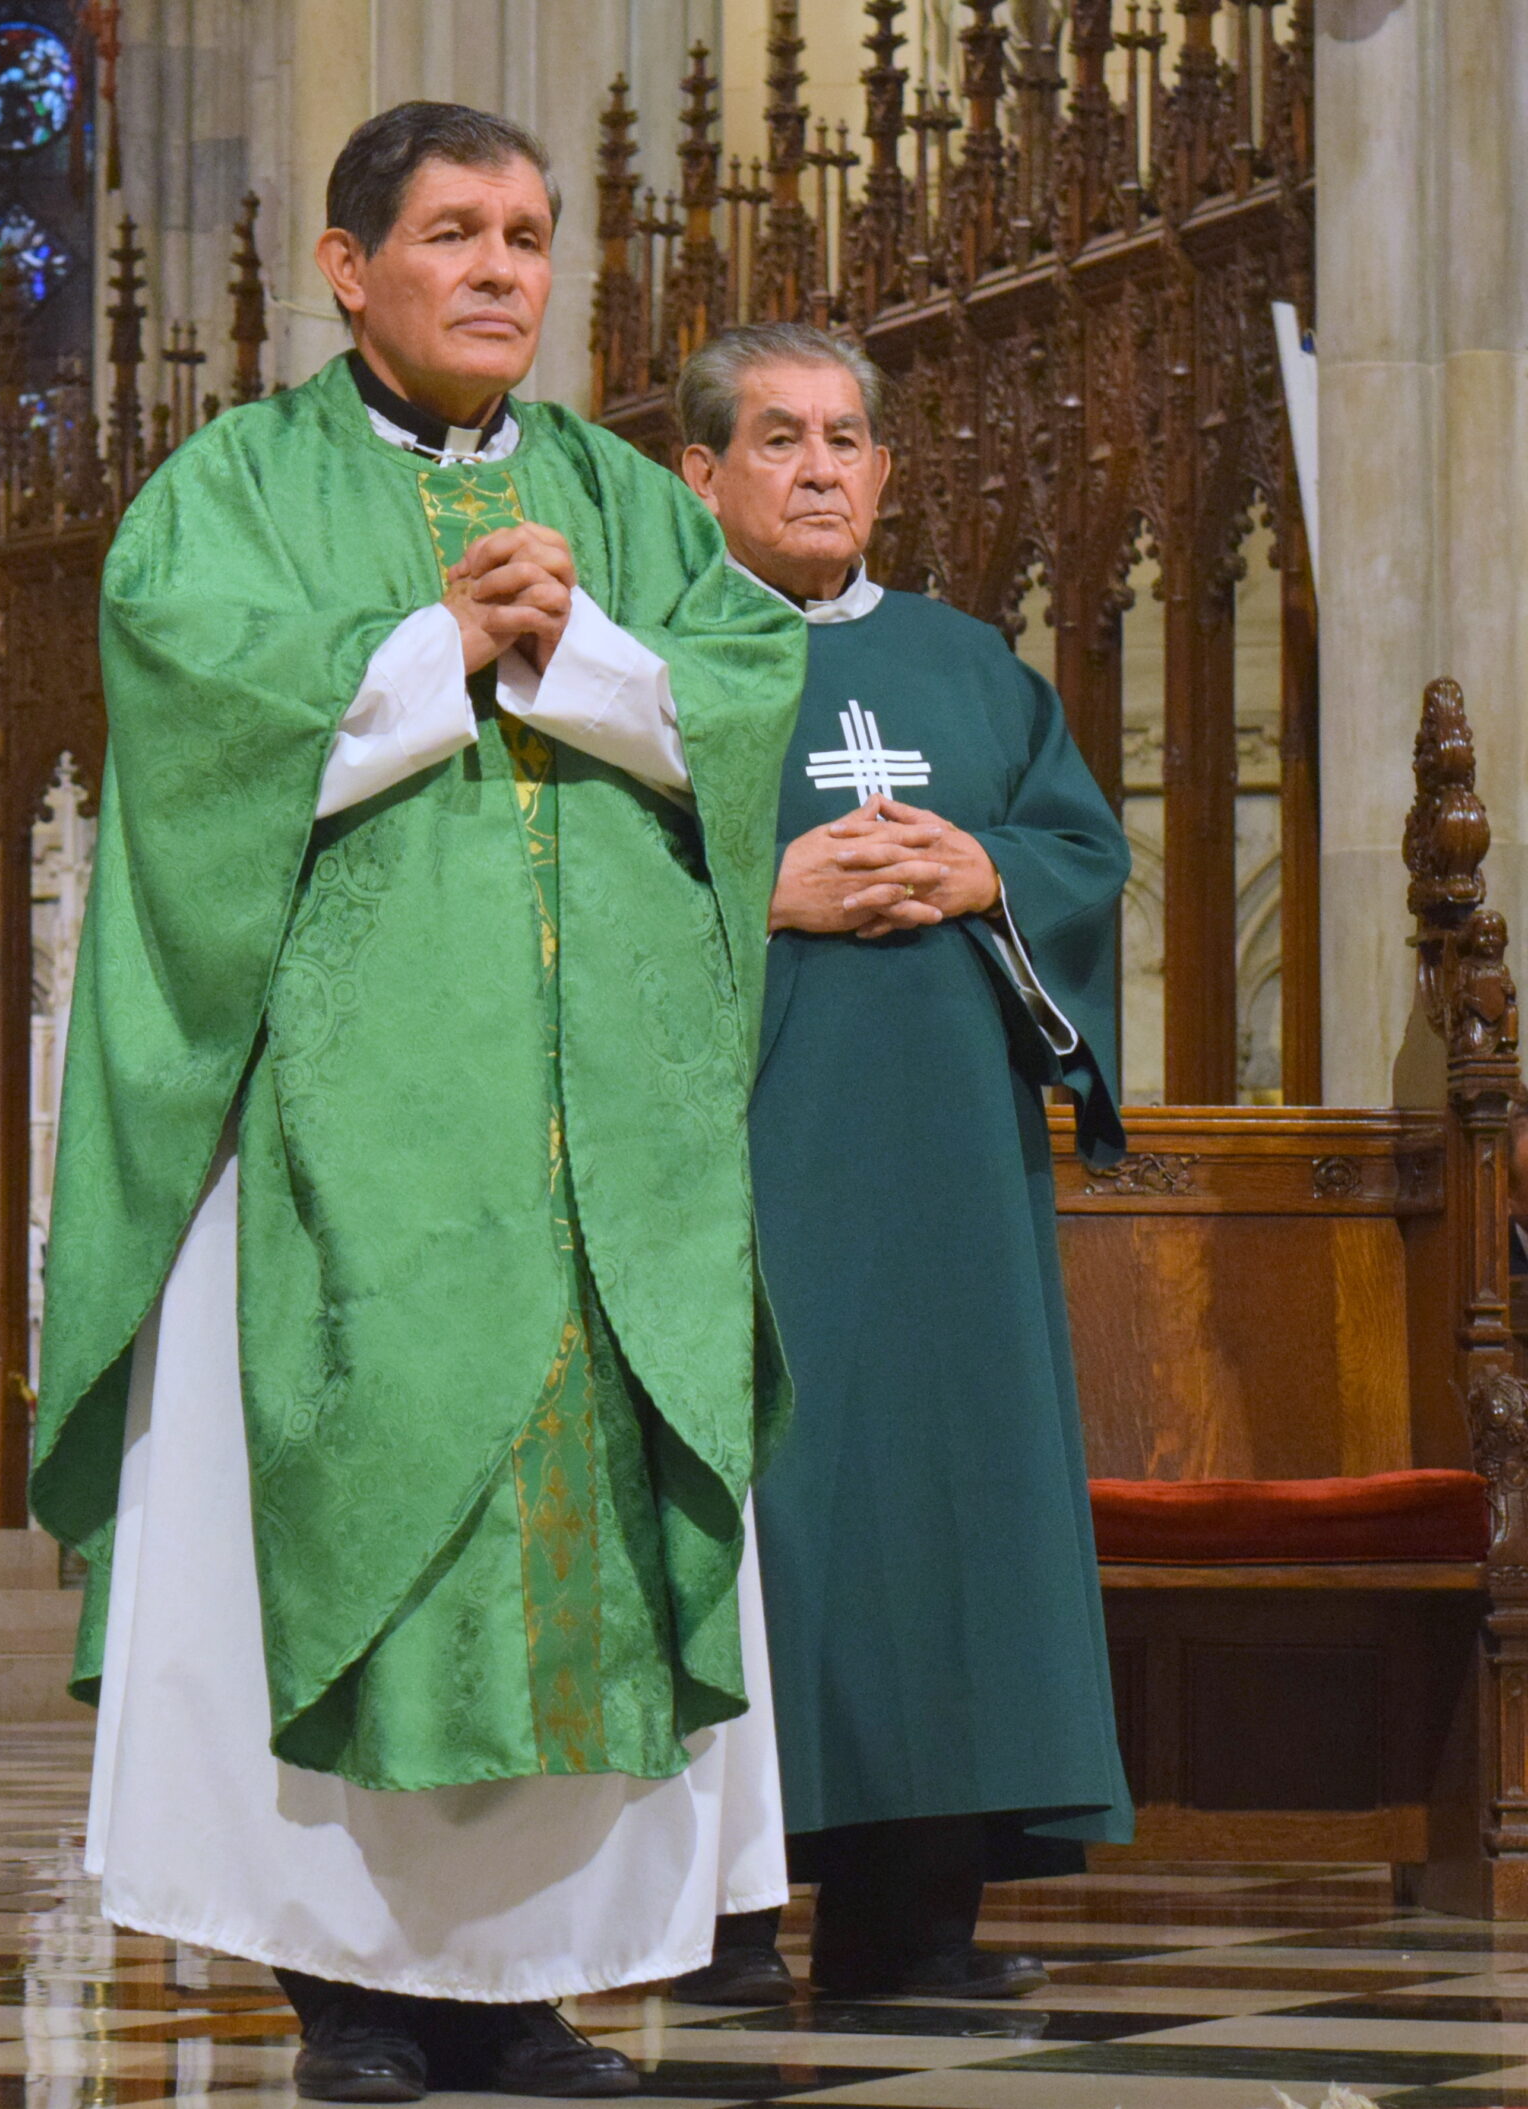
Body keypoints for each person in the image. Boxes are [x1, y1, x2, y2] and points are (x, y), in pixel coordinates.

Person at [33, 105, 808, 2101]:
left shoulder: (623, 502)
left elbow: (739, 683)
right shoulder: (230, 490)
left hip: (583, 1173)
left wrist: (574, 645)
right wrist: (423, 643)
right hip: (337, 1154)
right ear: (346, 265)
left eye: (526, 237)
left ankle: (514, 1988)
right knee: (356, 1534)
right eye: (452, 232)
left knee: (568, 1561)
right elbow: (190, 703)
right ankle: (349, 1989)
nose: (496, 270)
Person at [664, 321, 1133, 2005]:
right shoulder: (652, 664)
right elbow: (572, 885)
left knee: (944, 1511)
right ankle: (712, 1918)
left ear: (887, 473)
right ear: (697, 472)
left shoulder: (968, 665)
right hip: (740, 1167)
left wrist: (982, 867)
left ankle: (916, 1914)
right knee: (761, 1514)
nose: (817, 467)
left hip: (949, 1176)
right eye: (778, 438)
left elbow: (1084, 848)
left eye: (846, 439)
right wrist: (761, 891)